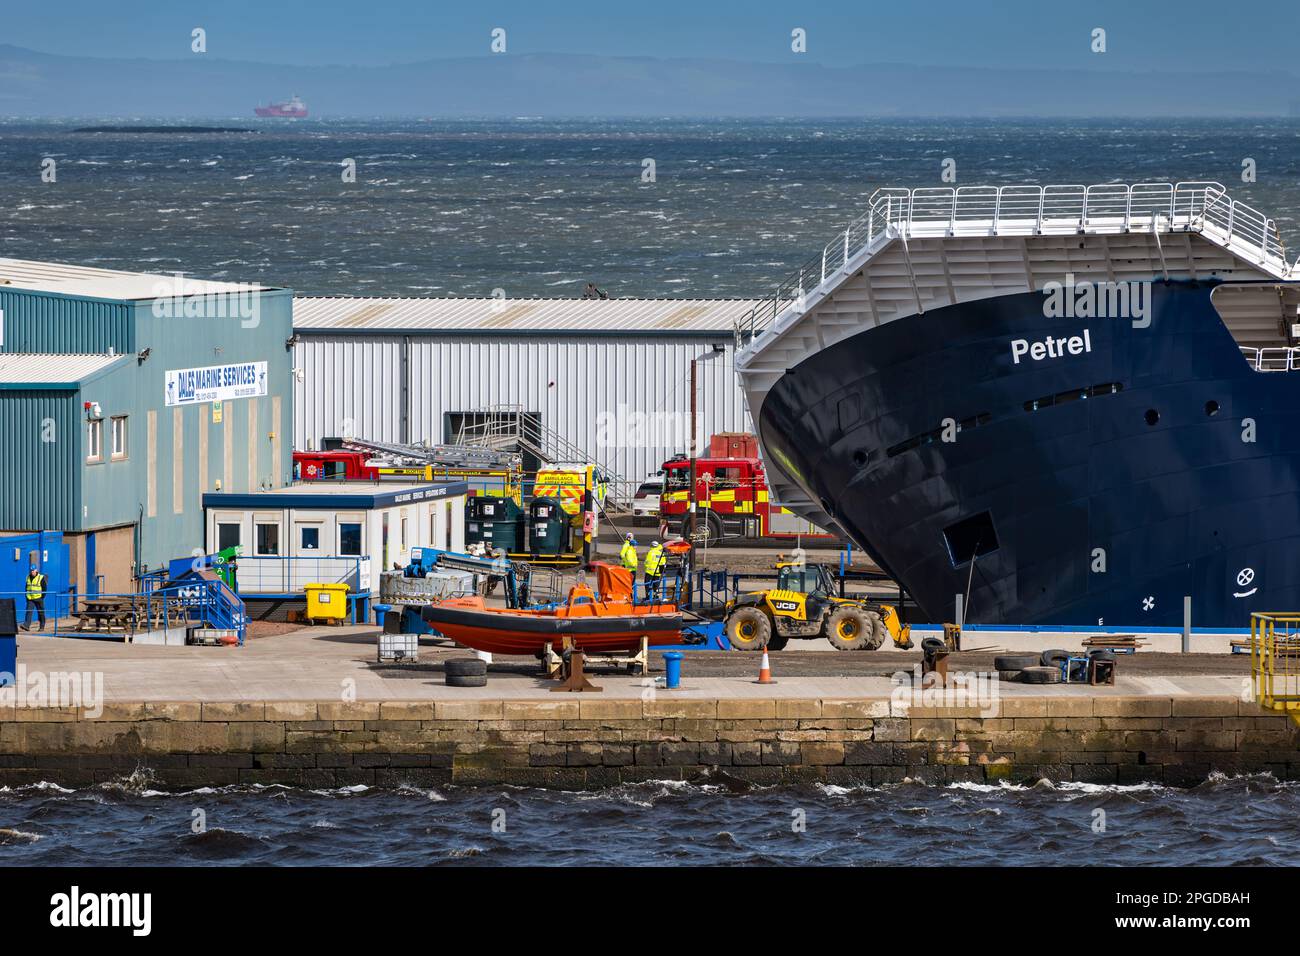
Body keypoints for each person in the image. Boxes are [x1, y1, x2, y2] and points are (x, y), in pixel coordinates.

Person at [22, 564, 46, 631]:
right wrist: (27, 596)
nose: (32, 571)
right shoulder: (28, 577)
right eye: (31, 570)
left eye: (33, 570)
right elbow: (26, 588)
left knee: (41, 613)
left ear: (36, 570)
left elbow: (44, 588)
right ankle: (26, 625)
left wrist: (42, 597)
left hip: (39, 598)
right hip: (30, 599)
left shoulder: (40, 577)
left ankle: (42, 626)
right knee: (28, 611)